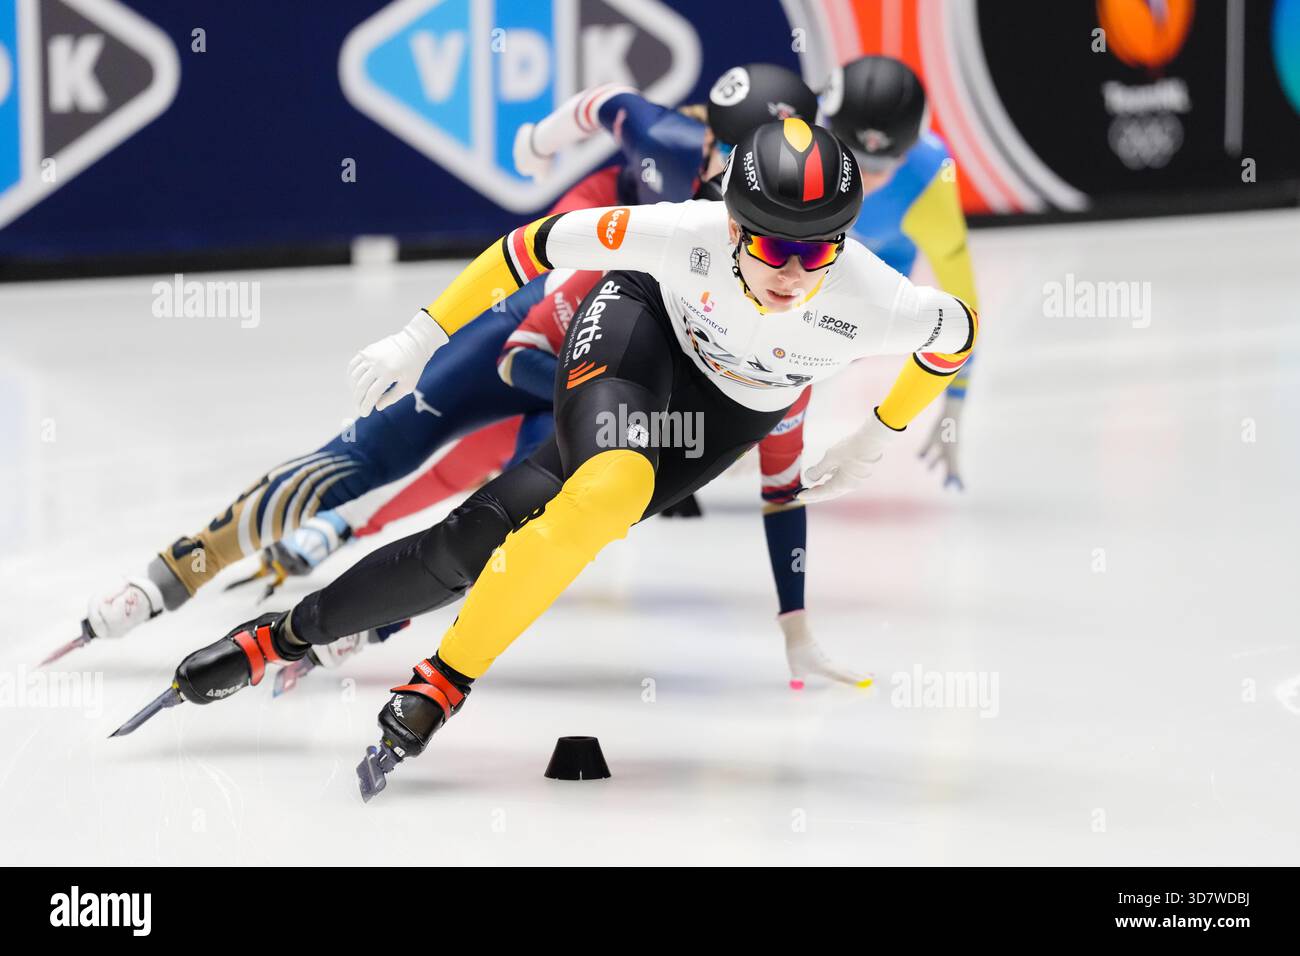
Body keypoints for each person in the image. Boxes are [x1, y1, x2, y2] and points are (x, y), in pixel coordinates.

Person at [117, 120, 978, 802]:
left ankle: (284, 634)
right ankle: (446, 680)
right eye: (772, 246)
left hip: (721, 415)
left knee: (473, 545)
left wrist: (878, 434)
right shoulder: (683, 235)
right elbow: (532, 247)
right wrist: (419, 335)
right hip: (641, 331)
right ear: (731, 223)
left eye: (818, 250)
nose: (793, 272)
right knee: (611, 487)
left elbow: (955, 336)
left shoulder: (877, 301)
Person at [57, 65, 826, 674]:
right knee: (379, 445)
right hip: (539, 328)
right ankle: (187, 565)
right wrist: (537, 140)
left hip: (609, 372)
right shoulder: (663, 142)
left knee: (511, 517)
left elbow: (783, 416)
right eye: (725, 159)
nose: (736, 189)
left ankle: (372, 609)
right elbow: (604, 105)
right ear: (706, 141)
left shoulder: (789, 261)